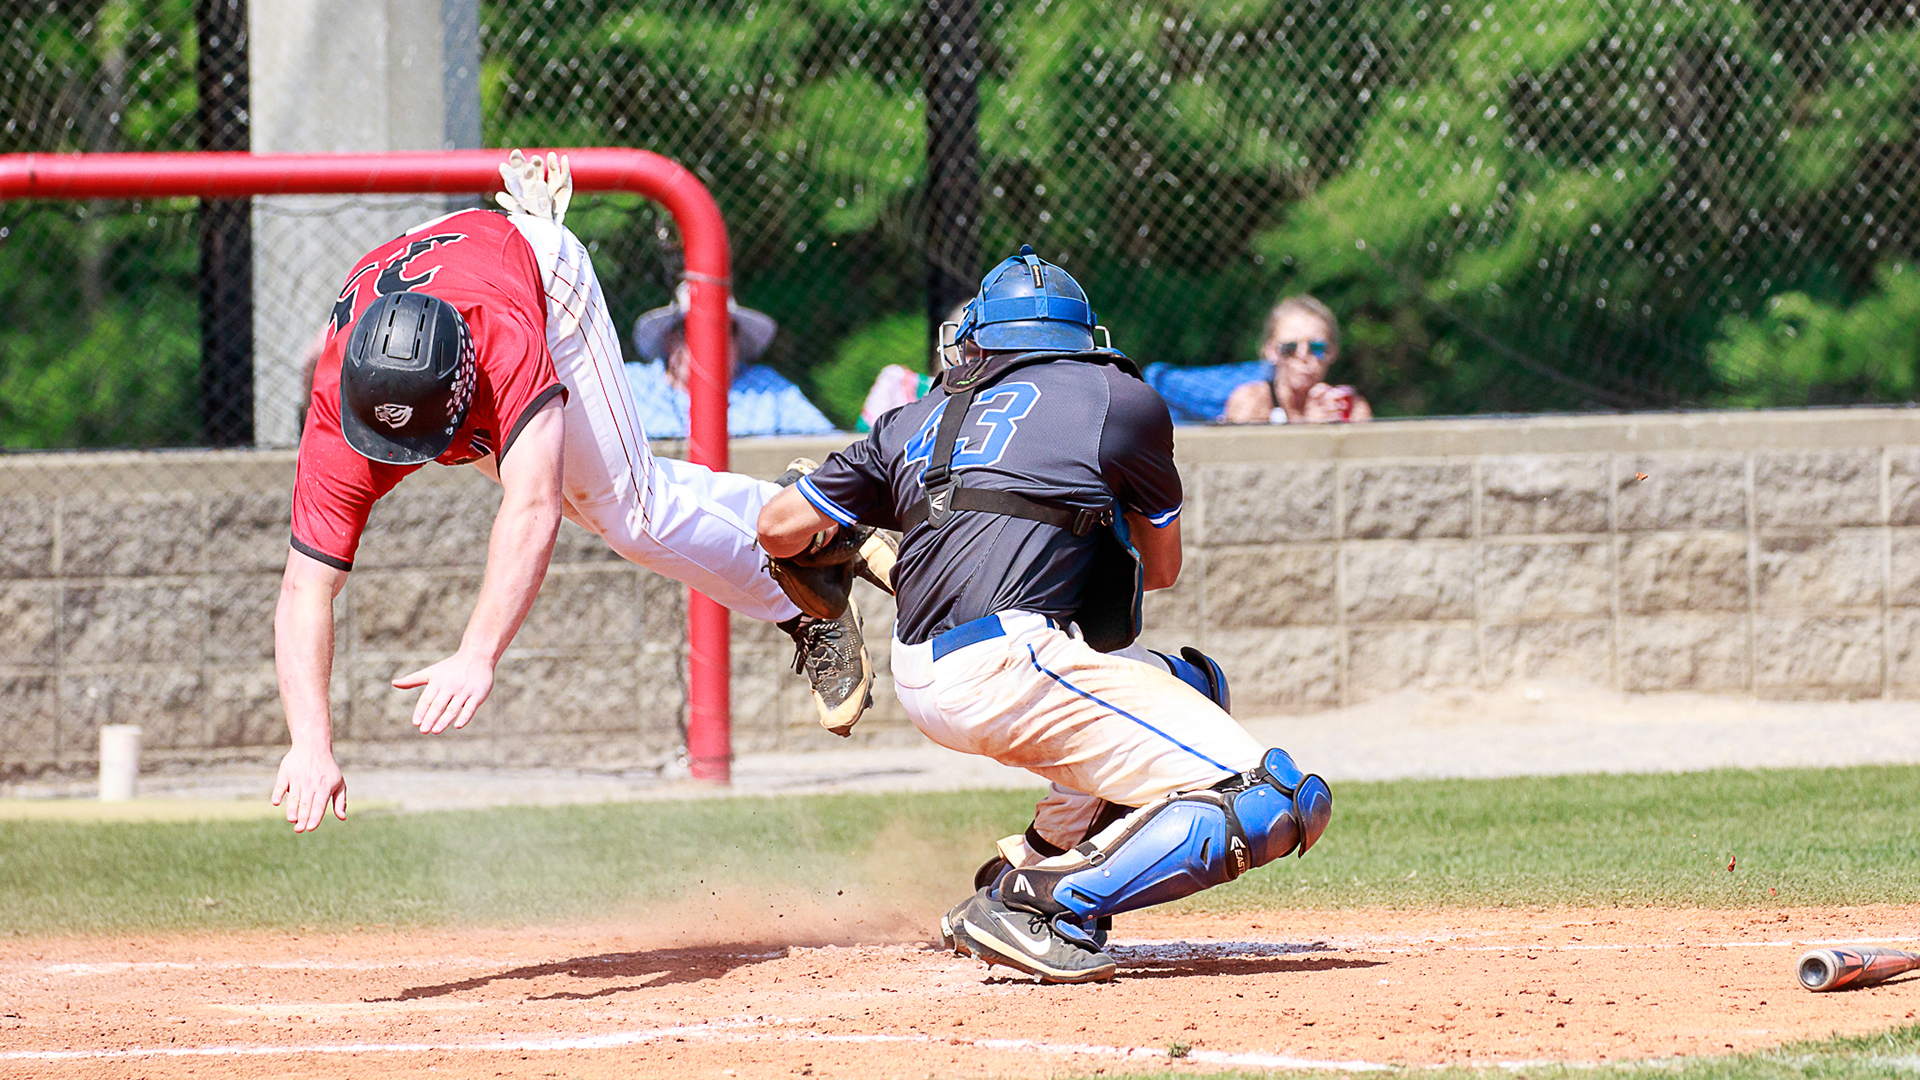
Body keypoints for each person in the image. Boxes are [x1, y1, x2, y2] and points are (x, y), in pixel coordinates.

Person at [757, 245, 1331, 983]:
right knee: (1277, 801)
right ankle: (1039, 906)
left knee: (1190, 686)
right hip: (1008, 661)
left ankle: (1043, 857)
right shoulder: (1118, 398)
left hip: (926, 667)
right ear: (1082, 339)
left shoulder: (911, 418)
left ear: (978, 342)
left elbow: (776, 526)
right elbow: (1162, 572)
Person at [272, 151, 891, 833]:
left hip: (536, 277)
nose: (415, 460)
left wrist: (478, 653)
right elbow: (305, 587)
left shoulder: (501, 345)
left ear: (469, 389)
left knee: (629, 512)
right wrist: (310, 742)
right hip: (454, 271)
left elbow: (530, 506)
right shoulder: (339, 408)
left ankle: (815, 544)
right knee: (597, 506)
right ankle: (804, 530)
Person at [625, 289, 838, 437]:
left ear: (738, 341)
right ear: (671, 340)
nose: (713, 342)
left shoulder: (769, 390)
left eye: (726, 330)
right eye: (697, 329)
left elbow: (827, 447)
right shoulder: (629, 386)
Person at [1222, 294, 1373, 424]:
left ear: (1332, 352)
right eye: (1290, 348)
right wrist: (1308, 428)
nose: (1303, 356)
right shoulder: (1252, 402)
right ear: (1271, 352)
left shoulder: (1349, 408)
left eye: (1316, 348)